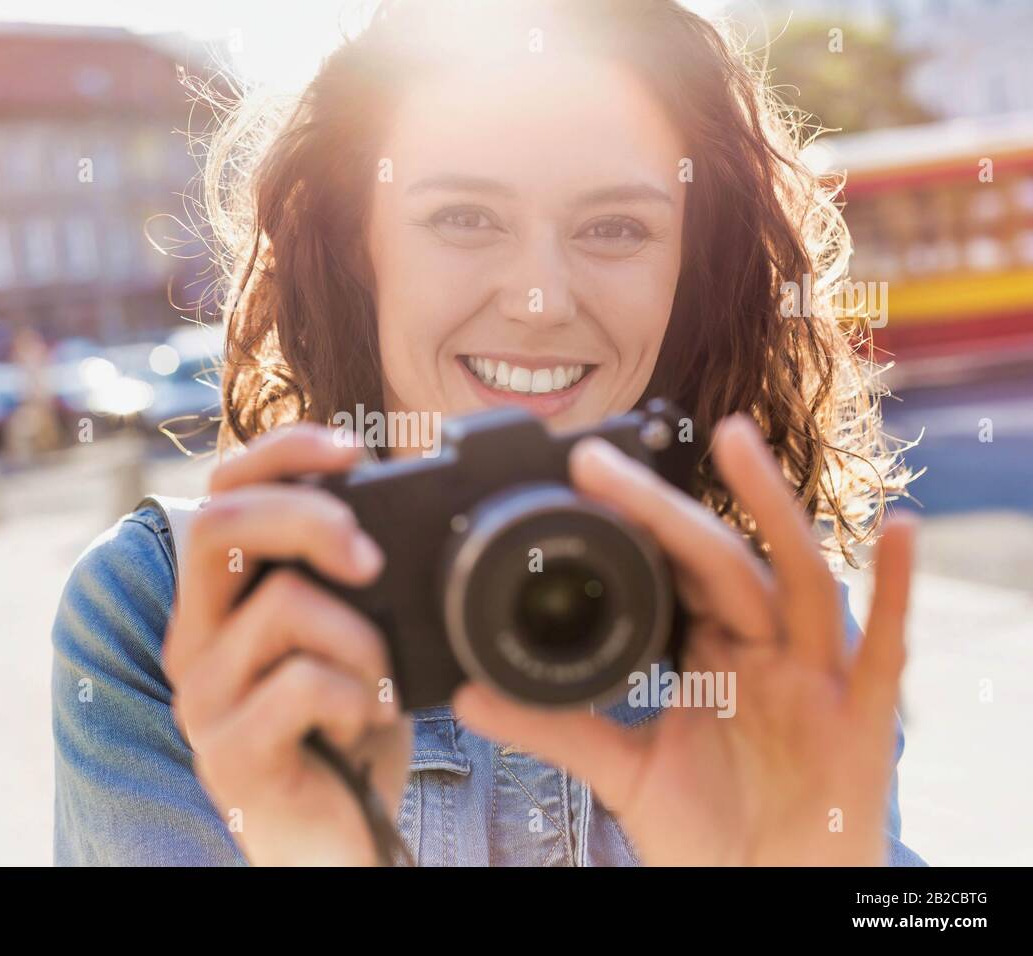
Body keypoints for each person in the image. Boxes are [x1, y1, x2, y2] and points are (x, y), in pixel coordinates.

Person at [51, 0, 924, 866]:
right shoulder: (170, 616)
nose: (540, 299)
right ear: (357, 243)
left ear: (689, 270)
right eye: (463, 217)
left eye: (616, 228)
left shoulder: (770, 636)